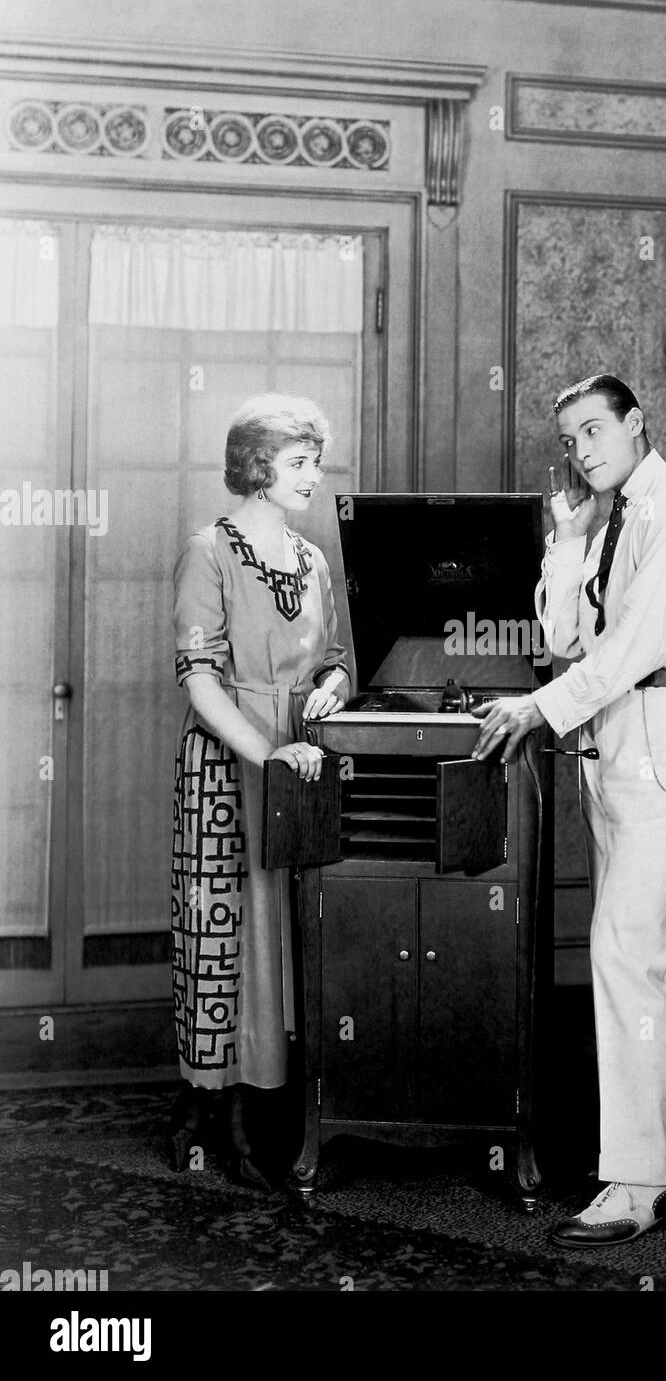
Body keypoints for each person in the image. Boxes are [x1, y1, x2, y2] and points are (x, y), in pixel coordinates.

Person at [472, 373, 666, 1246]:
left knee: (620, 947)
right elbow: (558, 638)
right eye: (571, 440)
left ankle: (638, 1176)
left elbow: (636, 645)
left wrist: (537, 710)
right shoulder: (607, 517)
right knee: (649, 943)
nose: (582, 451)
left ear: (636, 425)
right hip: (614, 745)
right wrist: (565, 541)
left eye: (594, 431)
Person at [168, 393, 351, 1191]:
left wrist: (333, 687)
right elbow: (200, 680)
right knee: (222, 937)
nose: (314, 476)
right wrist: (268, 755)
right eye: (301, 462)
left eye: (316, 461)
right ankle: (211, 1116)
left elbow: (338, 655)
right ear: (257, 465)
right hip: (227, 764)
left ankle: (275, 1107)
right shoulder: (207, 550)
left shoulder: (312, 562)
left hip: (298, 766)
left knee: (284, 933)